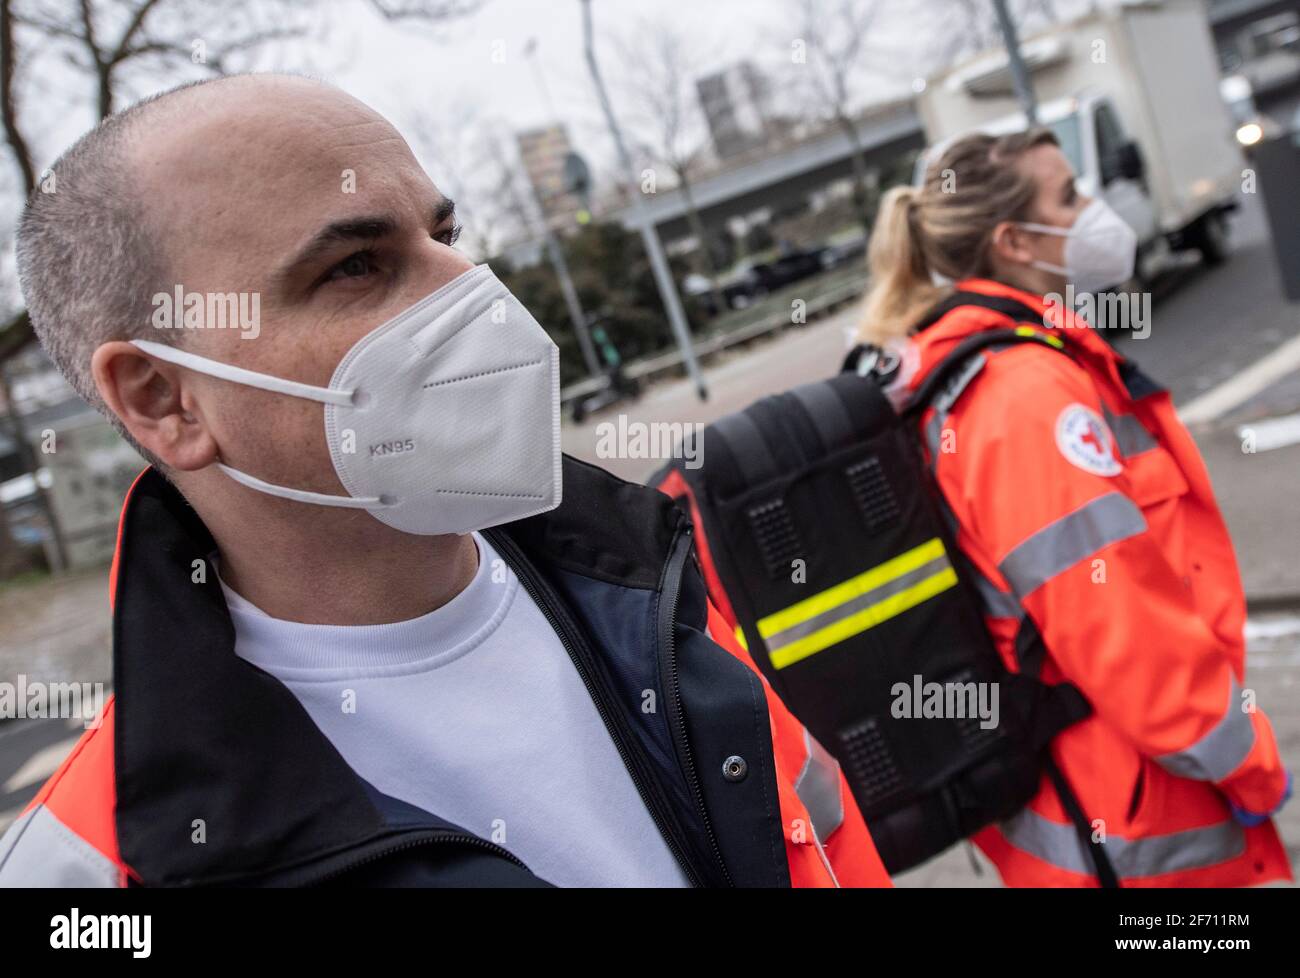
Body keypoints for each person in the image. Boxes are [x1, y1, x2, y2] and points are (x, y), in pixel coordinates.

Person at [0, 74, 890, 888]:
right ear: (165, 400)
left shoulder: (639, 585)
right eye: (356, 266)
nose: (476, 290)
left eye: (446, 236)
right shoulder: (93, 871)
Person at [855, 128, 1291, 886]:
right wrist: (1247, 762)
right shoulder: (1022, 395)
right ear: (1016, 241)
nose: (1094, 212)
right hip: (1135, 830)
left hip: (1105, 812)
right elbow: (1121, 627)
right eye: (1069, 197)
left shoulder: (989, 365)